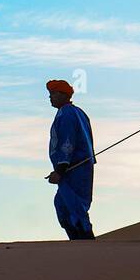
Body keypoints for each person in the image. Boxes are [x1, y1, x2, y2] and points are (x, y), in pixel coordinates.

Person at [45, 79, 96, 240]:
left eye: (53, 94)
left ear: (62, 94)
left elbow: (68, 142)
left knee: (74, 208)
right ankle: (77, 245)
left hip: (74, 168)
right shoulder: (75, 112)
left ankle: (86, 245)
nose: (50, 97)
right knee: (62, 205)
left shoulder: (67, 113)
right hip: (71, 169)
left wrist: (60, 170)